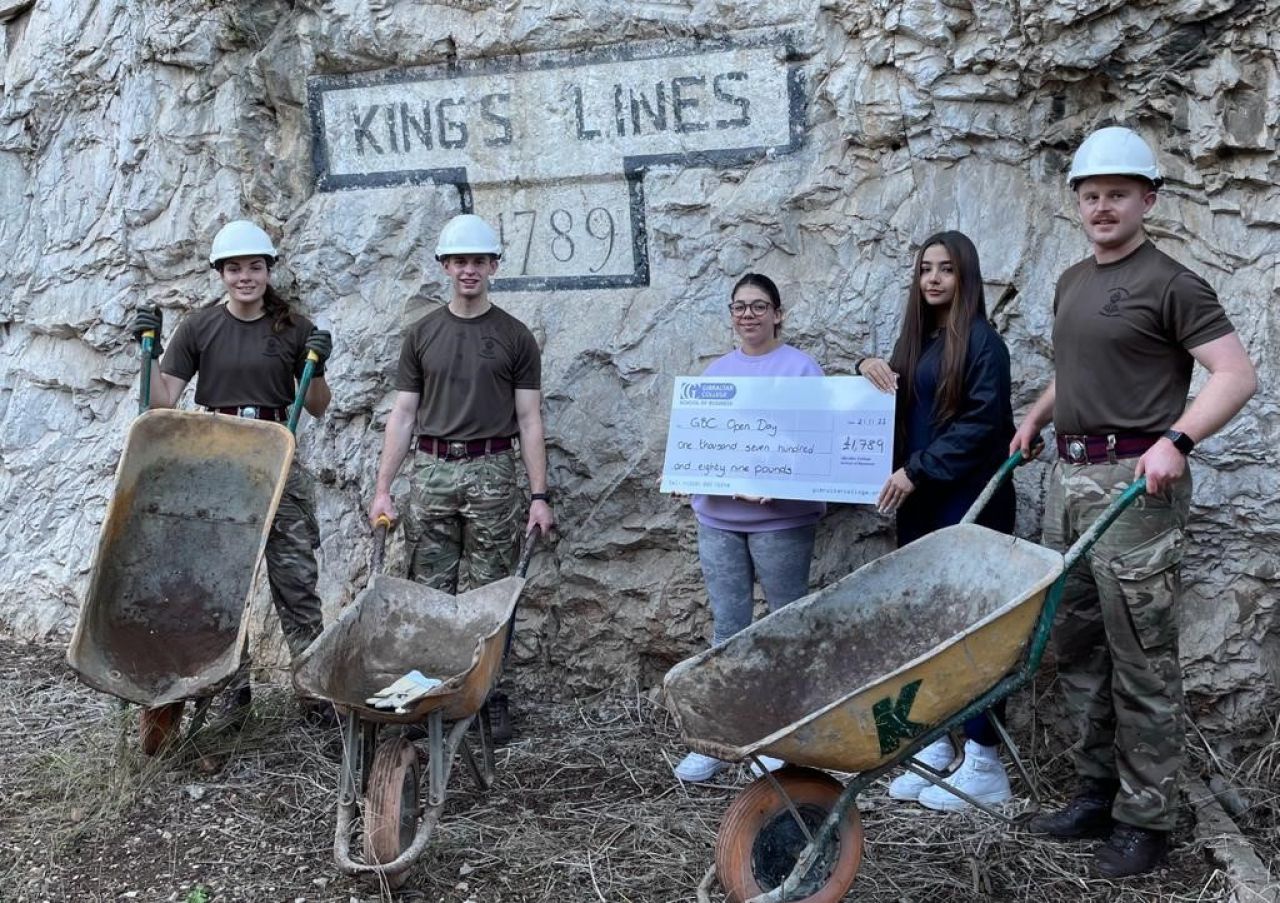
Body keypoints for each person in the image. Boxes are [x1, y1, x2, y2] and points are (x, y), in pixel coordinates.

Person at [1009, 126, 1257, 877]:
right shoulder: (1071, 281)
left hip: (1136, 488)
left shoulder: (1173, 282)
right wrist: (1036, 414)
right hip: (1069, 481)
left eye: (1118, 193)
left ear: (1148, 198)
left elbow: (1234, 375)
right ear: (1077, 204)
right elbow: (1078, 368)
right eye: (1090, 195)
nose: (1103, 206)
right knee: (1079, 647)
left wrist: (1175, 441)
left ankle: (1147, 820)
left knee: (1142, 660)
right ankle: (1097, 791)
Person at [130, 220, 334, 724]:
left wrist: (317, 367)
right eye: (235, 268)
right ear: (221, 273)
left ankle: (315, 692)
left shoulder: (294, 328)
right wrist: (149, 351)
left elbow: (318, 407)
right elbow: (162, 402)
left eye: (255, 267)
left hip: (277, 458)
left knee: (295, 582)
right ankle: (231, 690)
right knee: (221, 583)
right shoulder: (200, 327)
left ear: (268, 271)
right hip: (219, 466)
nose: (246, 277)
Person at [368, 213, 554, 744]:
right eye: (459, 261)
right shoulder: (422, 334)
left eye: (479, 260)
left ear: (494, 265)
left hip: (494, 470)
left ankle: (489, 696)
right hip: (431, 471)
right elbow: (403, 415)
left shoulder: (515, 337)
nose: (468, 270)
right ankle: (428, 695)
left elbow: (530, 419)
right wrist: (384, 487)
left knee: (490, 592)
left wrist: (539, 495)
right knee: (428, 589)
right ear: (445, 267)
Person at [857, 231, 1017, 811]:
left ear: (964, 277)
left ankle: (984, 761)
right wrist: (866, 364)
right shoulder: (918, 343)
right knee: (927, 627)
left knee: (974, 630)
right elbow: (896, 400)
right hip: (921, 502)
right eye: (925, 268)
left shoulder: (983, 344)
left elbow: (980, 429)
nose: (933, 279)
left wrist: (916, 469)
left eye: (945, 270)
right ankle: (936, 743)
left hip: (968, 503)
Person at [672, 273, 825, 783]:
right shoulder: (715, 374)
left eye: (759, 306)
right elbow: (701, 444)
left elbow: (818, 452)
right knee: (727, 631)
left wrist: (780, 484)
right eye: (739, 306)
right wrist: (683, 473)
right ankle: (724, 740)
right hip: (718, 519)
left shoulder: (803, 371)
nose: (749, 315)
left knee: (785, 628)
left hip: (781, 521)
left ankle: (786, 739)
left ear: (778, 313)